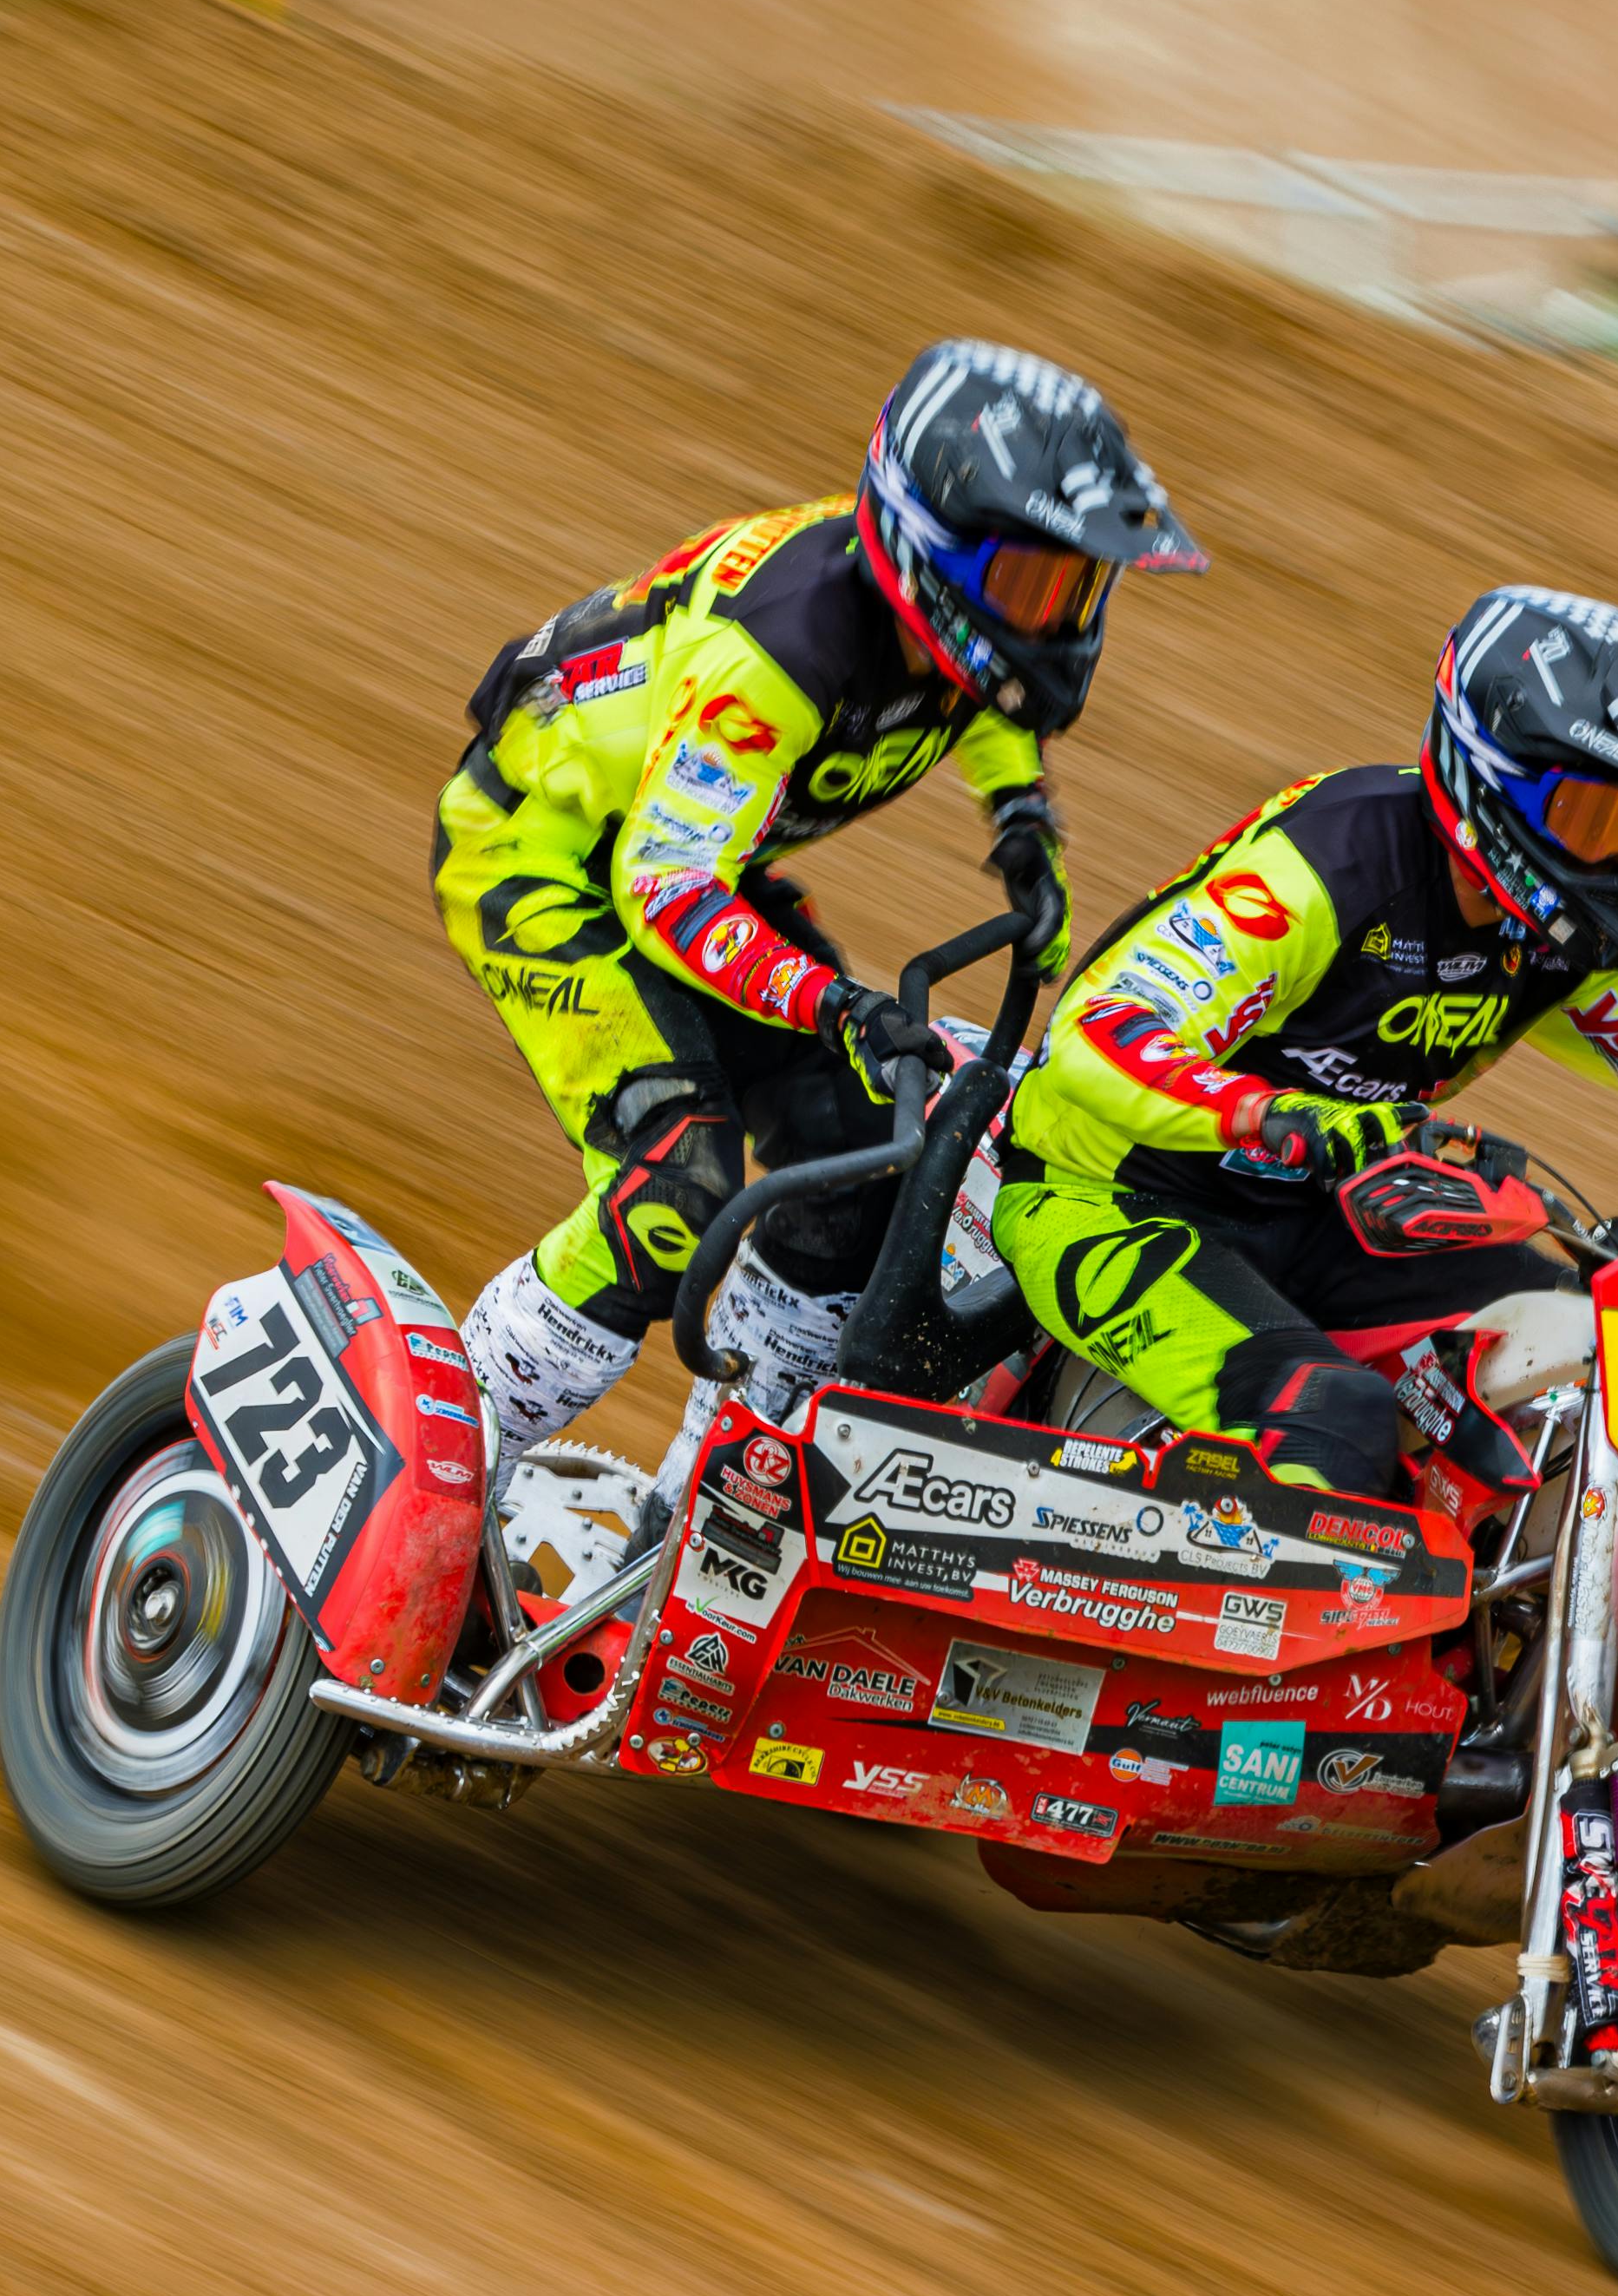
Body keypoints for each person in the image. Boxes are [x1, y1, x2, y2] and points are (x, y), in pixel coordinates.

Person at [436, 339, 1203, 1506]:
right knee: (669, 1195)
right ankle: (442, 1457)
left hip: (696, 866)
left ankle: (699, 1514)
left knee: (853, 1183)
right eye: (1034, 587)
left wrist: (1020, 815)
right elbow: (663, 888)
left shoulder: (935, 625)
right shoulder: (780, 650)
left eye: (1076, 590)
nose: (1058, 621)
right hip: (547, 861)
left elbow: (987, 697)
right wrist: (829, 999)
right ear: (927, 551)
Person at [989, 584, 1618, 1500]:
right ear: (1485, 781)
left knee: (1592, 1366)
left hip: (1333, 1218)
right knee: (1335, 1419)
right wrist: (1267, 1113)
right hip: (1108, 1200)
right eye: (1591, 816)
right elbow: (1095, 1035)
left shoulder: (1569, 941)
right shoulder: (1326, 865)